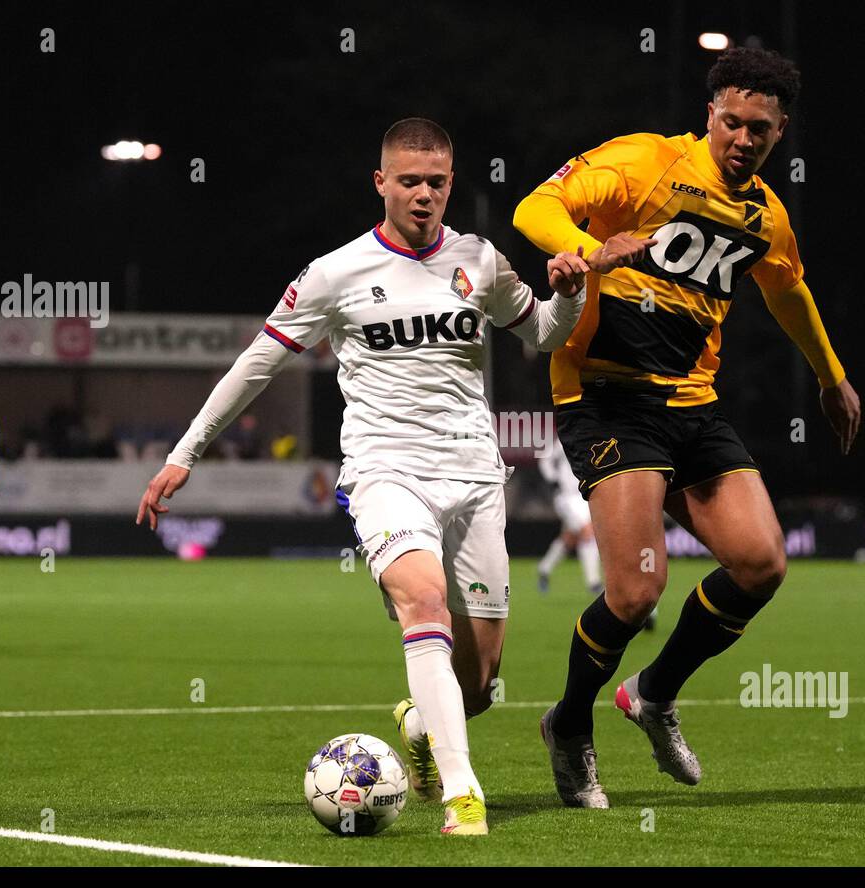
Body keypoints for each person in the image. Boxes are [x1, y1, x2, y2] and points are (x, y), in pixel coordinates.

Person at [136, 118, 588, 835]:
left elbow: (542, 335)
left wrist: (568, 294)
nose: (424, 194)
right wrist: (184, 453)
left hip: (474, 476)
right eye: (408, 180)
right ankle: (463, 792)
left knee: (480, 682)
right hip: (385, 470)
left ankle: (423, 722)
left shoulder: (482, 260)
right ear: (380, 182)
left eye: (437, 182)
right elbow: (258, 362)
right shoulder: (335, 273)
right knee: (424, 602)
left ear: (450, 184)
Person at [513, 48, 860, 807]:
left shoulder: (765, 213)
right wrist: (582, 249)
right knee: (636, 593)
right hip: (604, 396)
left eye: (759, 130)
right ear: (710, 113)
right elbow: (533, 208)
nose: (743, 138)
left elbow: (789, 292)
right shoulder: (644, 162)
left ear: (780, 132)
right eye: (731, 122)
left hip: (691, 403)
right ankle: (569, 725)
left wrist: (831, 376)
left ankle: (653, 693)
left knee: (762, 564)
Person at [536, 435, 602, 595]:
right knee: (588, 533)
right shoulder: (566, 439)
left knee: (569, 538)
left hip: (584, 497)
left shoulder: (596, 439)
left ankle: (544, 569)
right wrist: (554, 480)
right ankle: (594, 583)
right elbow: (544, 460)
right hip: (567, 497)